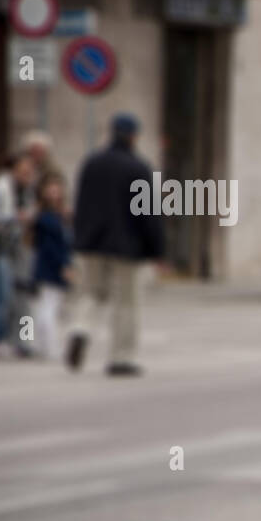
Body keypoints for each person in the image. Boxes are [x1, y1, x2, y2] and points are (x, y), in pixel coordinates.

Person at [65, 113, 164, 377]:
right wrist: (156, 249)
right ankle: (121, 357)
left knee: (90, 292)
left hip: (91, 244)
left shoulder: (91, 163)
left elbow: (81, 205)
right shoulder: (138, 167)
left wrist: (79, 238)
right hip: (126, 247)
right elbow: (148, 213)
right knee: (126, 302)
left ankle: (80, 328)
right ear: (133, 136)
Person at [0, 153, 36, 358]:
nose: (28, 175)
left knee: (25, 299)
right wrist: (13, 217)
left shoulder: (26, 192)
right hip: (1, 250)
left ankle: (25, 341)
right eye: (24, 171)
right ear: (13, 169)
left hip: (22, 251)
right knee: (3, 296)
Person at [31, 172, 73, 359]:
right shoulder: (46, 217)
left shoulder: (57, 215)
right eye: (52, 190)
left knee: (46, 305)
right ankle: (48, 346)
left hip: (50, 263)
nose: (56, 194)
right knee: (48, 306)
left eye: (58, 190)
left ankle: (42, 345)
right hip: (50, 265)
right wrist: (63, 265)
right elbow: (50, 246)